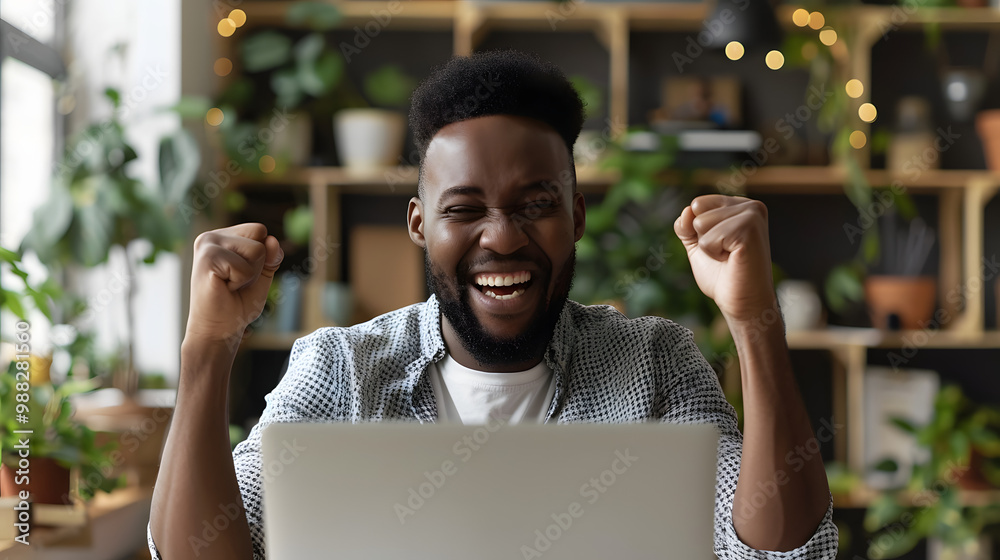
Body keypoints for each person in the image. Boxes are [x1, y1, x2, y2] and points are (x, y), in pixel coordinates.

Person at [148, 50, 838, 559]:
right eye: (466, 209)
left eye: (537, 205)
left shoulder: (655, 363)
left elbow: (784, 554)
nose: (502, 237)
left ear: (577, 216)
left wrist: (754, 321)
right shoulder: (341, 369)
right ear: (420, 224)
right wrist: (207, 349)